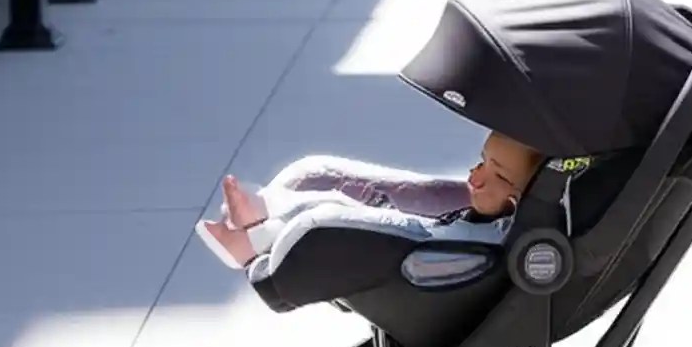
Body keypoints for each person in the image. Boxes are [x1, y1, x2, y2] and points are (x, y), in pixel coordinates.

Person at [196, 132, 544, 269]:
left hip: (431, 247)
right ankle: (263, 211)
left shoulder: (503, 231)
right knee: (319, 173)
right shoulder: (484, 203)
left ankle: (255, 234)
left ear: (518, 195)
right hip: (439, 227)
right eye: (481, 160)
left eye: (495, 174)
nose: (475, 174)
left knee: (332, 210)